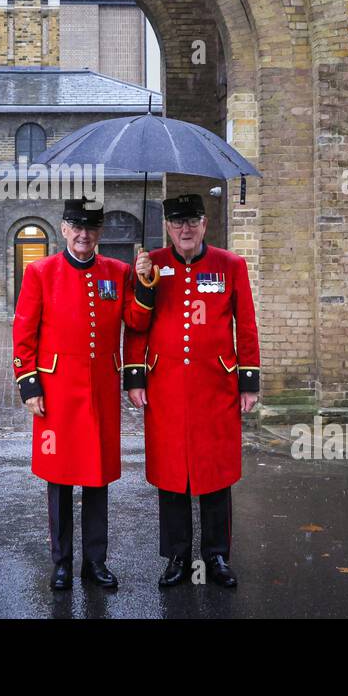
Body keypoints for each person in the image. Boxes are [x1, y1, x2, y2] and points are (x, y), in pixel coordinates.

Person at [12, 198, 154, 591]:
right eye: (76, 226)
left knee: (97, 478)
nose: (83, 234)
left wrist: (144, 282)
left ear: (100, 233)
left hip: (100, 393)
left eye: (91, 228)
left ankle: (95, 561)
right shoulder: (41, 272)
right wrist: (29, 384)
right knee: (58, 480)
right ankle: (61, 562)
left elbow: (137, 319)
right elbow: (24, 331)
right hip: (56, 392)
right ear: (63, 228)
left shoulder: (118, 271)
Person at [123, 193, 260, 588]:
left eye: (193, 221)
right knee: (171, 474)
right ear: (167, 226)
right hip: (165, 386)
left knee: (215, 473)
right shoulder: (152, 265)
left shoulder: (230, 265)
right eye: (178, 221)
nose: (185, 228)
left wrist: (248, 382)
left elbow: (246, 325)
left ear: (204, 224)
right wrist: (135, 378)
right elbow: (136, 327)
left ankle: (216, 556)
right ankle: (177, 557)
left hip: (216, 386)